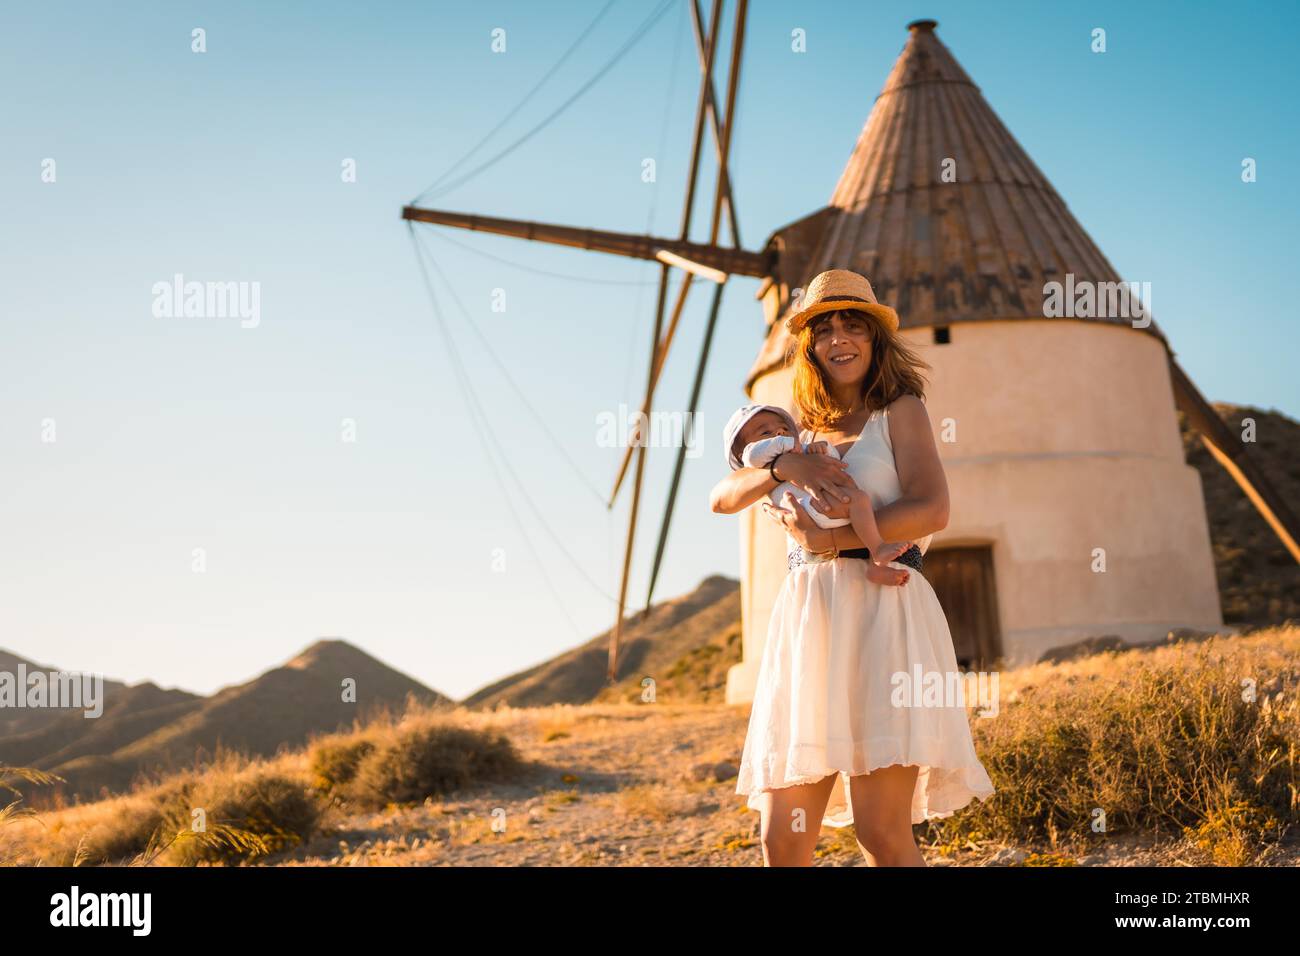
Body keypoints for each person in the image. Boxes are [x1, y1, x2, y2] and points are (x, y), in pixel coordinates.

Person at [710, 269, 995, 867]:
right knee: (782, 839)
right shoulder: (792, 431)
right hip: (810, 622)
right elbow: (723, 496)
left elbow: (932, 508)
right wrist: (788, 469)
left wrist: (831, 537)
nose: (839, 337)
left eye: (853, 324)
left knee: (880, 832)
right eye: (824, 328)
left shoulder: (901, 410)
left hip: (886, 613)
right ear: (809, 345)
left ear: (874, 337)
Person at [723, 402, 912, 588]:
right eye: (765, 432)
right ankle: (878, 550)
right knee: (859, 500)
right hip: (807, 508)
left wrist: (822, 448)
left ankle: (876, 566)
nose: (779, 432)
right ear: (741, 452)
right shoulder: (758, 457)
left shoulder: (797, 449)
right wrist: (790, 444)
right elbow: (754, 455)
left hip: (817, 506)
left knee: (864, 505)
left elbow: (831, 461)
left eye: (783, 427)